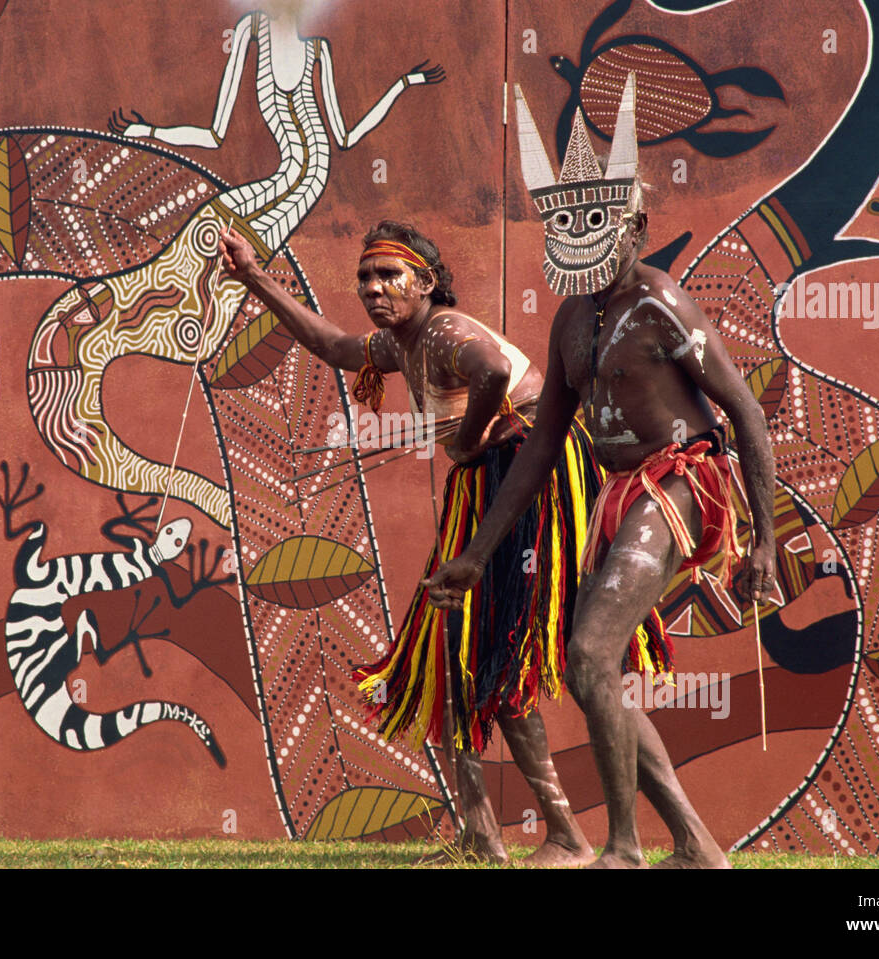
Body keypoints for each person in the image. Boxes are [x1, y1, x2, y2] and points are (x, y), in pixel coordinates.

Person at [220, 219, 669, 865]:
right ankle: (489, 836)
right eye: (365, 278)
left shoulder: (444, 330)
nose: (373, 288)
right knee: (457, 650)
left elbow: (489, 369)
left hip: (529, 476)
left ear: (426, 283)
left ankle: (567, 838)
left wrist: (469, 438)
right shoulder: (402, 341)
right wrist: (255, 277)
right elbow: (335, 345)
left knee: (496, 651)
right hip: (486, 481)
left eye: (388, 276)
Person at [425, 76, 778, 868]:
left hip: (684, 481)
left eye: (597, 219)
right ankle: (694, 845)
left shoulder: (662, 304)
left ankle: (620, 848)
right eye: (565, 218)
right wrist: (477, 555)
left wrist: (764, 540)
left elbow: (746, 415)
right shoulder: (570, 321)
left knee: (586, 657)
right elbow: (543, 445)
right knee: (599, 673)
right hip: (622, 495)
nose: (579, 233)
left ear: (638, 226)